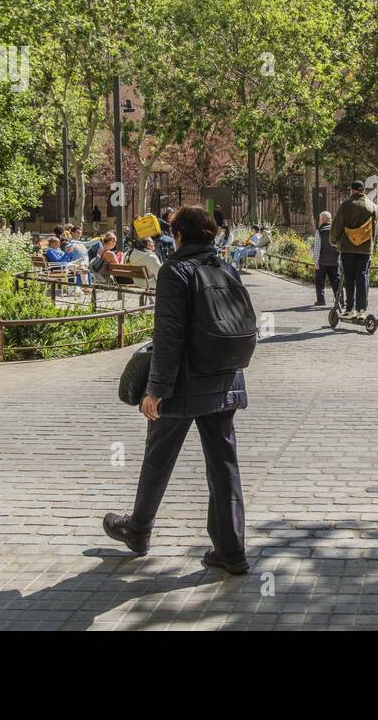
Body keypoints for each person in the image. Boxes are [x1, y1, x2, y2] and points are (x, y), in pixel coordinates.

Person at [103, 206, 250, 573]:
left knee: (158, 457)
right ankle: (231, 550)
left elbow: (168, 338)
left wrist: (155, 390)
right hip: (224, 379)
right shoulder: (226, 267)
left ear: (178, 235)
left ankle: (137, 530)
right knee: (224, 464)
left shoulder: (175, 271)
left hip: (182, 384)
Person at [330, 179, 377, 320]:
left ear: (352, 190)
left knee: (349, 277)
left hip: (348, 248)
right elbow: (374, 230)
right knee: (362, 276)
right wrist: (371, 245)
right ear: (364, 191)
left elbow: (337, 225)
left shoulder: (346, 205)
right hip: (365, 249)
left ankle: (350, 309)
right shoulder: (372, 206)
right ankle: (362, 310)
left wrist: (333, 241)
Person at [310, 210, 340, 307]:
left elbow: (317, 247)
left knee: (320, 282)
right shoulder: (336, 230)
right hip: (334, 262)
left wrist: (316, 261)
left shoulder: (319, 231)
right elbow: (339, 246)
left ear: (322, 220)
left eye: (319, 219)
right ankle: (340, 301)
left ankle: (321, 300)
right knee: (336, 282)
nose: (319, 221)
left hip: (322, 262)